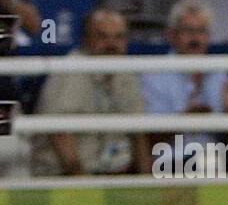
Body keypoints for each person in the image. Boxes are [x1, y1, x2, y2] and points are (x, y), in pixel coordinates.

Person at [32, 9, 148, 176]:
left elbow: (139, 133)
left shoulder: (126, 71)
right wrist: (84, 184)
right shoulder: (71, 70)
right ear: (85, 40)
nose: (111, 44)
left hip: (114, 173)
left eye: (118, 37)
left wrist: (147, 182)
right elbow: (59, 134)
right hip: (67, 176)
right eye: (102, 36)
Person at [140, 0, 228, 156]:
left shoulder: (220, 73)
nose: (195, 39)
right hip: (171, 161)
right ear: (171, 35)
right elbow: (150, 137)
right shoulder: (154, 75)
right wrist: (187, 119)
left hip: (216, 160)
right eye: (188, 31)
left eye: (201, 31)